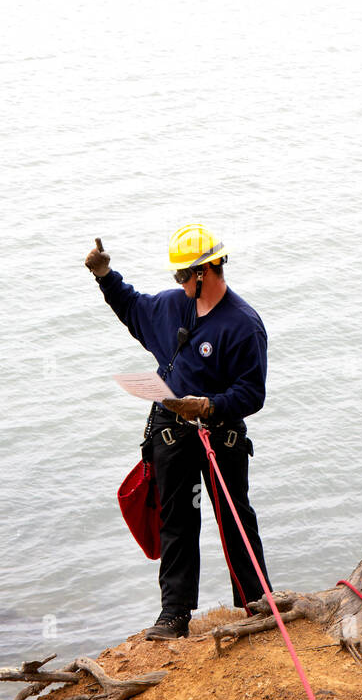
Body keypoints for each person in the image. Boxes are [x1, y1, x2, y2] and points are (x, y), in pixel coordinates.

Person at [85, 224, 272, 640]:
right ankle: (174, 616)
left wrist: (209, 405)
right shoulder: (173, 306)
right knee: (177, 522)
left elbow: (252, 392)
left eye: (181, 275)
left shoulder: (243, 325)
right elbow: (133, 308)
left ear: (204, 271)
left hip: (219, 437)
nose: (177, 283)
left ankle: (258, 604)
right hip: (171, 435)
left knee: (234, 518)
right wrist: (104, 276)